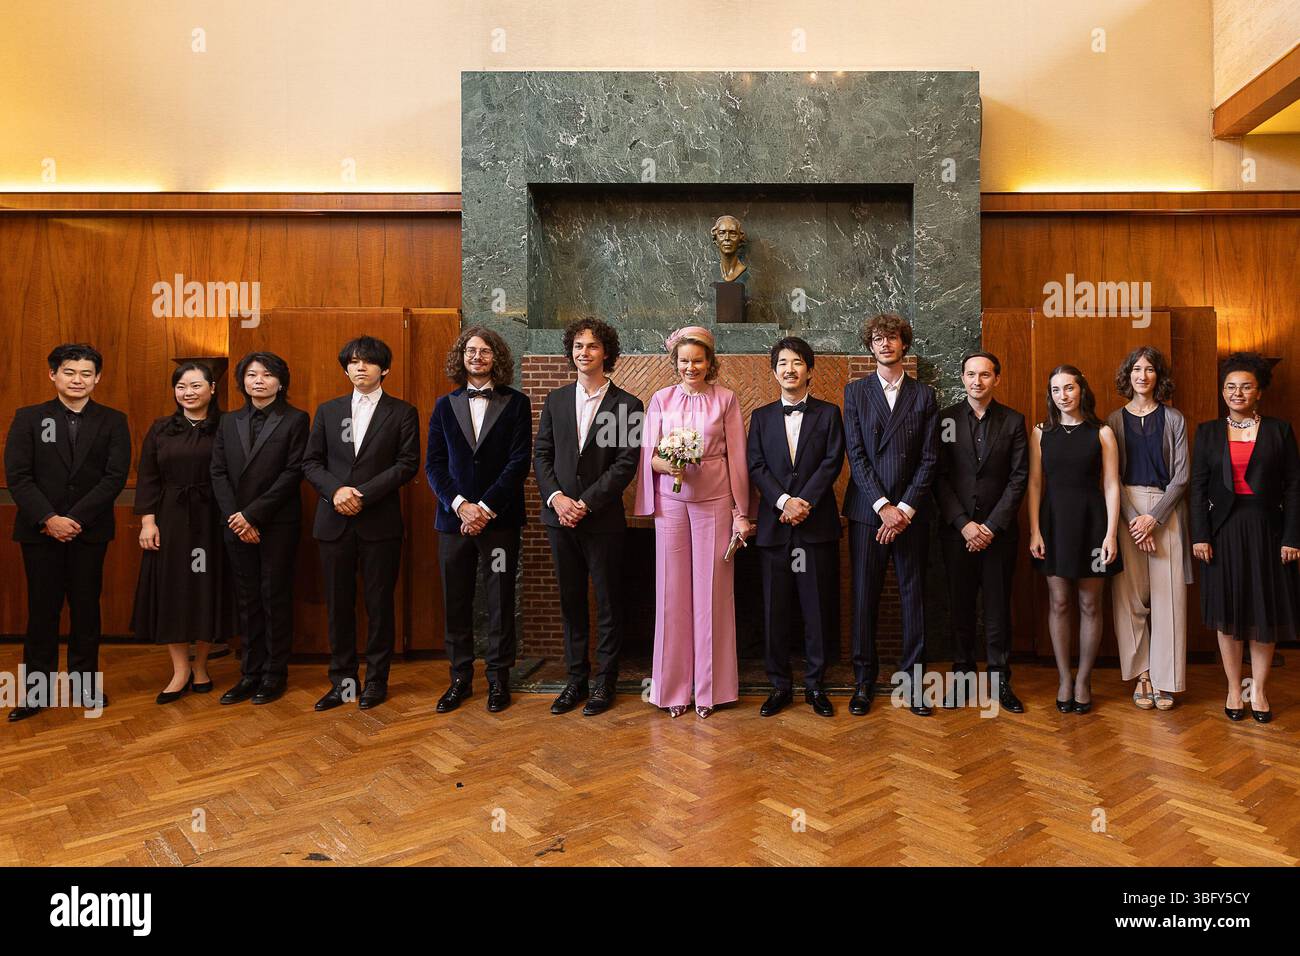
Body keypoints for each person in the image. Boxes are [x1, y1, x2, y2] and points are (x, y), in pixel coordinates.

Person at [4, 343, 130, 721]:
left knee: (87, 611)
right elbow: (18, 476)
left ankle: (84, 686)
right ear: (53, 374)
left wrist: (74, 519)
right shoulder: (28, 418)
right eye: (70, 372)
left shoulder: (113, 420)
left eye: (86, 373)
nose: (78, 380)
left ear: (98, 378)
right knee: (42, 613)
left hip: (88, 533)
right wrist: (49, 518)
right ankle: (35, 693)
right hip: (39, 532)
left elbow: (114, 477)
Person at [635, 326, 753, 719]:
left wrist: (741, 513)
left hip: (716, 504)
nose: (691, 367)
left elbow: (738, 459)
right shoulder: (660, 400)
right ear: (675, 363)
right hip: (671, 506)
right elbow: (649, 457)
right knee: (672, 595)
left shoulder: (727, 400)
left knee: (713, 596)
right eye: (684, 360)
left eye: (698, 360)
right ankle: (672, 692)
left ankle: (710, 691)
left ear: (709, 362)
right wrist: (666, 462)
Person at [303, 336, 420, 712]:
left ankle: (377, 682)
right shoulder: (328, 410)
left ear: (383, 368)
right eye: (353, 362)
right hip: (333, 521)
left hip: (379, 523)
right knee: (338, 606)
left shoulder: (402, 412)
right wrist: (337, 492)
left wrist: (361, 494)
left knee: (379, 605)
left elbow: (406, 464)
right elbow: (311, 463)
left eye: (368, 362)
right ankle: (343, 683)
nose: (359, 368)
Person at [534, 318, 644, 717]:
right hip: (558, 519)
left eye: (592, 346)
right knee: (571, 603)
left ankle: (605, 682)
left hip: (602, 521)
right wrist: (559, 499)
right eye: (578, 345)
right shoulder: (555, 400)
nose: (584, 352)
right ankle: (575, 680)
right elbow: (542, 456)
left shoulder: (628, 405)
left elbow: (626, 464)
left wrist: (586, 503)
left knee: (609, 603)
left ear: (606, 353)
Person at [426, 326, 532, 714]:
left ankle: (499, 679)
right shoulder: (443, 406)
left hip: (499, 520)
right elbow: (433, 465)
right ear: (461, 356)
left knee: (500, 599)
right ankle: (459, 679)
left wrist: (484, 508)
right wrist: (461, 506)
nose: (477, 357)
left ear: (497, 359)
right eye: (471, 350)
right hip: (453, 522)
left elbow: (518, 463)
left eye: (485, 351)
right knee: (456, 601)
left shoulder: (517, 404)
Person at [1190, 352, 1300, 724]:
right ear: (1223, 392)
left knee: (1263, 611)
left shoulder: (1279, 430)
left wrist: (1292, 536)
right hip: (1222, 533)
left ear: (1259, 392)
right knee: (1229, 611)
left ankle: (1262, 690)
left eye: (1245, 386)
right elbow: (1197, 488)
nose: (1237, 393)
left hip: (1268, 531)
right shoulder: (1206, 432)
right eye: (1230, 387)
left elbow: (1295, 487)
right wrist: (1200, 535)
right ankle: (1234, 688)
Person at [842, 313, 939, 717]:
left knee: (914, 599)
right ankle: (864, 683)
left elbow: (931, 458)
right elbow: (857, 454)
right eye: (878, 339)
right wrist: (883, 507)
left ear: (904, 345)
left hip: (911, 514)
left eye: (893, 338)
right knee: (864, 598)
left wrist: (904, 509)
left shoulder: (925, 395)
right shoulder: (855, 393)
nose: (885, 344)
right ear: (870, 345)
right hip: (868, 513)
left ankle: (913, 684)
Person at [746, 336, 844, 718]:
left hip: (815, 527)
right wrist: (784, 501)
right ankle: (779, 685)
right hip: (775, 528)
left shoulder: (829, 413)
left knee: (816, 609)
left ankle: (816, 685)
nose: (790, 369)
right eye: (783, 363)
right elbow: (756, 465)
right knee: (775, 609)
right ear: (774, 372)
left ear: (809, 370)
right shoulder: (762, 416)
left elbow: (832, 462)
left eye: (798, 362)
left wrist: (804, 502)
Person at [210, 351, 309, 706]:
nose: (259, 380)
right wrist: (236, 517)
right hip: (235, 524)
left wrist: (253, 515)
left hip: (276, 523)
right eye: (252, 375)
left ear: (280, 382)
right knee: (247, 599)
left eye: (267, 375)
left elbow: (293, 473)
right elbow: (217, 472)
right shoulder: (227, 421)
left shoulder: (296, 419)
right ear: (242, 381)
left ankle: (274, 674)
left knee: (274, 596)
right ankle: (249, 673)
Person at [133, 361, 235, 704]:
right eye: (181, 387)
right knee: (174, 590)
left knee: (206, 587)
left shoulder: (227, 426)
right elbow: (147, 477)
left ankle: (202, 666)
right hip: (171, 519)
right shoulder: (161, 428)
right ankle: (179, 670)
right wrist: (148, 521)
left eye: (195, 386)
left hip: (212, 517)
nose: (188, 393)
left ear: (212, 389)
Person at [934, 351, 1028, 713]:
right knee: (959, 607)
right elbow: (939, 477)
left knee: (998, 608)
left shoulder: (1013, 421)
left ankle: (1001, 679)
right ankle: (961, 677)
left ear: (996, 379)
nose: (977, 381)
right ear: (962, 378)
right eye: (971, 374)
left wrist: (989, 526)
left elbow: (1019, 478)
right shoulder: (946, 421)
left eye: (985, 375)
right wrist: (964, 524)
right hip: (957, 533)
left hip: (998, 534)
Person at [1028, 365, 1122, 714]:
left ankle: (1084, 678)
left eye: (1069, 388)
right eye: (1056, 390)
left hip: (1093, 523)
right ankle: (1064, 677)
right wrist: (1035, 529)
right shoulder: (1041, 432)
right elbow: (1035, 484)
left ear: (1082, 390)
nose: (1063, 395)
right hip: (1053, 521)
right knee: (1059, 602)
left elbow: (1112, 485)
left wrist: (1111, 533)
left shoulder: (1103, 432)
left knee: (1090, 604)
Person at [1107, 346, 1192, 711]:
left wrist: (1153, 518)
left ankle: (1165, 678)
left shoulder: (1174, 419)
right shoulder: (1113, 421)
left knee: (1169, 597)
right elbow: (1110, 477)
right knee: (1130, 596)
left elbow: (1183, 476)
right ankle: (1142, 673)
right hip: (1125, 511)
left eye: (1150, 369)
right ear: (1128, 376)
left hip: (1166, 511)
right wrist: (1133, 518)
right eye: (1136, 369)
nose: (1143, 375)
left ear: (1159, 376)